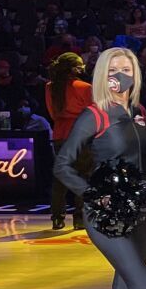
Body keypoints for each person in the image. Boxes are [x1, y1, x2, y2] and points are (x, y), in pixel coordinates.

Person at [54, 48, 146, 289]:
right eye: (113, 69)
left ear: (135, 74)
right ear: (102, 74)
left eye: (126, 68)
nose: (120, 74)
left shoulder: (138, 112)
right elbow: (62, 164)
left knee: (125, 288)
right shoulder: (94, 114)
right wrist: (93, 194)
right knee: (142, 284)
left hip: (139, 210)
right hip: (106, 215)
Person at [45, 52, 93, 229]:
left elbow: (52, 113)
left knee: (60, 179)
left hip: (60, 133)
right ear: (76, 68)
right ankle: (80, 219)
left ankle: (57, 218)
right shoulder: (85, 87)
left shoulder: (50, 87)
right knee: (83, 176)